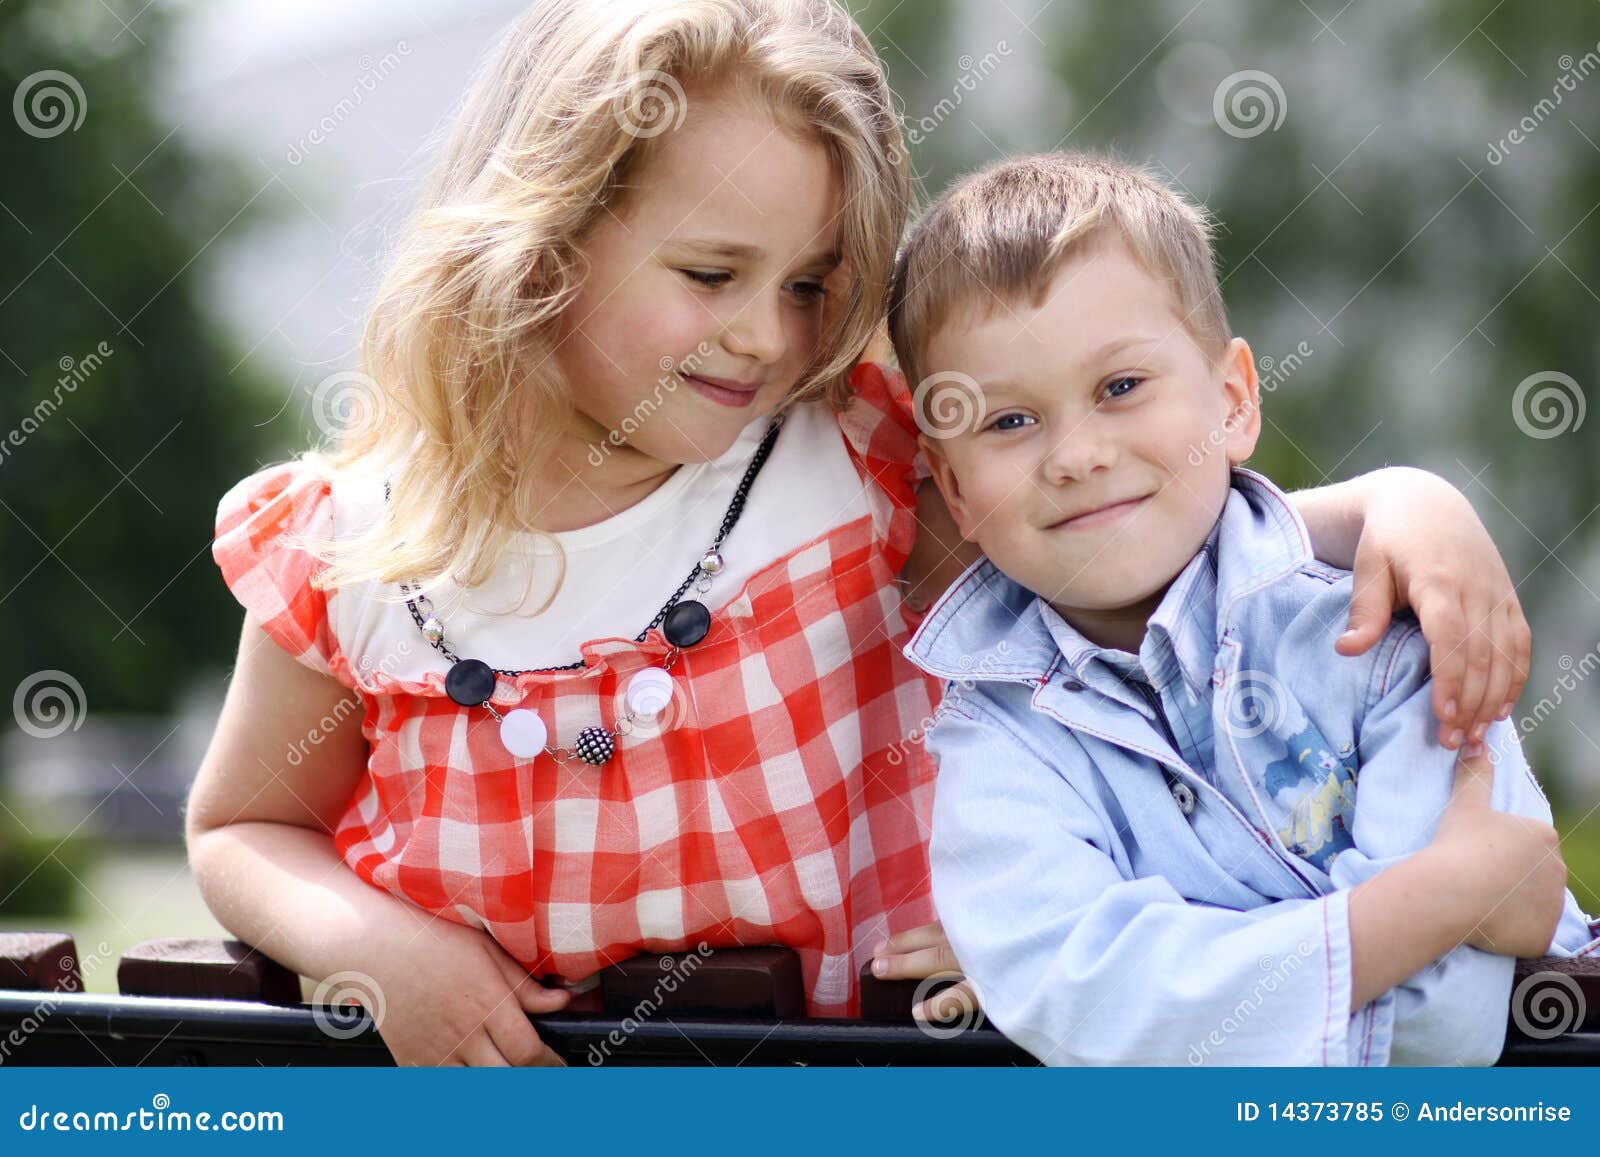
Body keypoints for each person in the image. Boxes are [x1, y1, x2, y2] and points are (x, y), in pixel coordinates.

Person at [189, 1, 1532, 1067]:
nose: (770, 335)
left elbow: (1118, 545)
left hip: (864, 1087)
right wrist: (378, 945)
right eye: (714, 274)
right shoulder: (359, 551)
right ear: (542, 239)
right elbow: (242, 827)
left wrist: (1402, 503)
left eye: (814, 285)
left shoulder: (852, 460)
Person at [890, 150, 1600, 1066]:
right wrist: (1445, 895)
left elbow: (1440, 1023)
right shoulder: (996, 743)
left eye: (1119, 388)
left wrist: (1170, 989)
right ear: (952, 487)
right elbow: (1097, 997)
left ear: (1232, 402)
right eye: (1009, 422)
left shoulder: (1378, 630)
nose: (1075, 455)